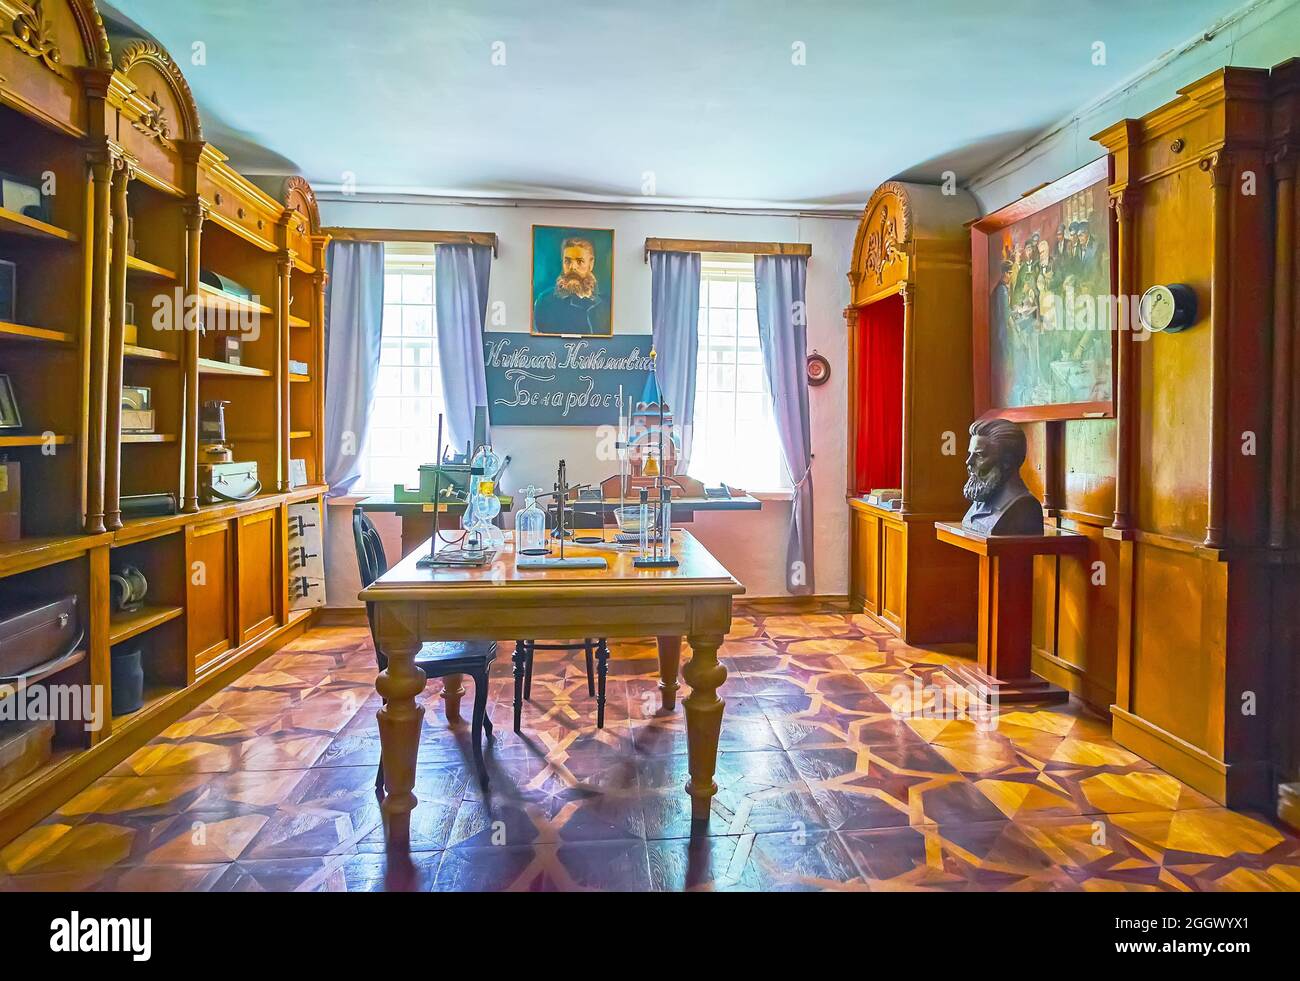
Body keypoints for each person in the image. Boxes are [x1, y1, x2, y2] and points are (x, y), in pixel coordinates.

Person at [961, 418, 1044, 536]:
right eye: (970, 454)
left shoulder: (1024, 506)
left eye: (979, 455)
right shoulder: (981, 499)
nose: (969, 462)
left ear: (1007, 461)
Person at [533, 237, 611, 335]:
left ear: (591, 264)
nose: (572, 267)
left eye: (580, 261)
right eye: (567, 261)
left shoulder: (606, 304)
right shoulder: (545, 301)